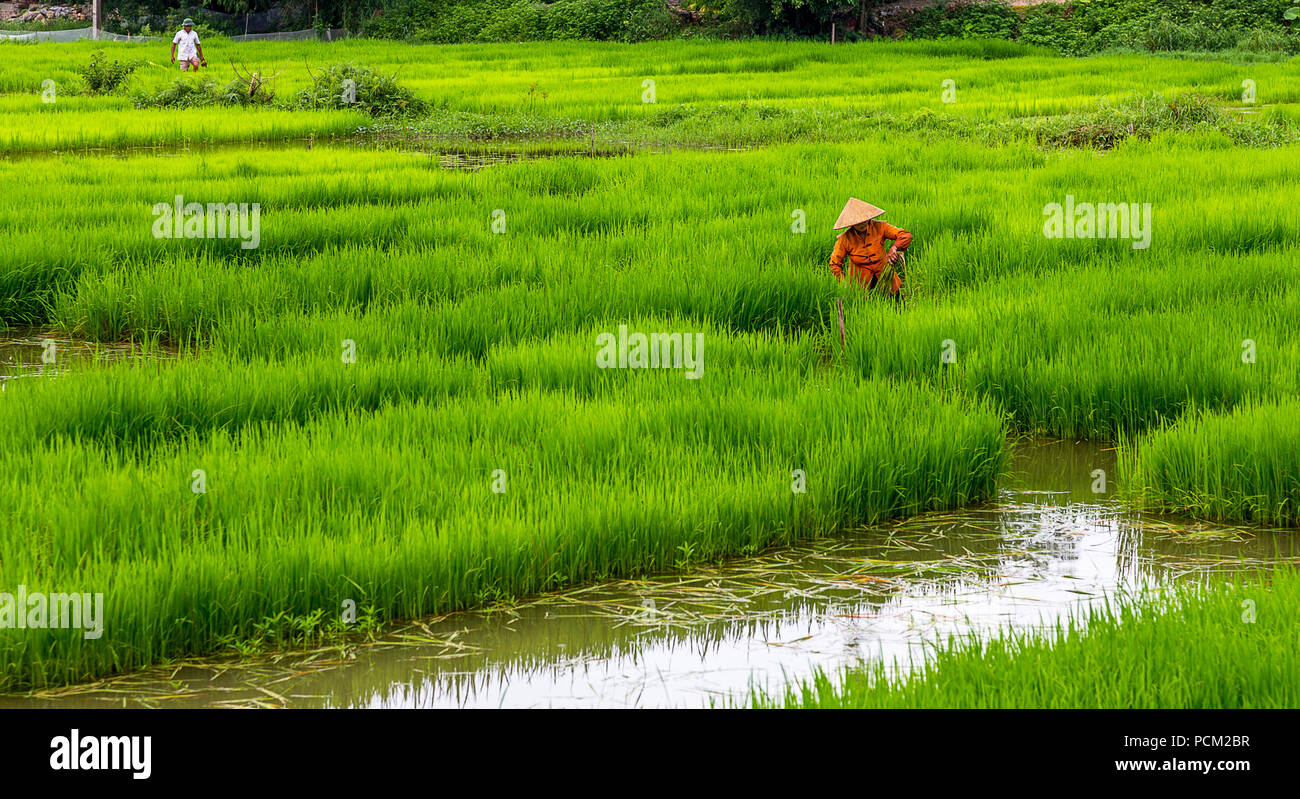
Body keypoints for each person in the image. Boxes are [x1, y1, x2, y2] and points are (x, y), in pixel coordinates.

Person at [828, 197, 912, 297]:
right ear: (851, 223)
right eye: (857, 221)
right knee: (869, 309)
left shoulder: (880, 227)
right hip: (861, 287)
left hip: (887, 279)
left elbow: (905, 235)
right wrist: (845, 283)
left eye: (864, 219)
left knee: (897, 308)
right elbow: (834, 264)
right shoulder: (845, 239)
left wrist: (894, 248)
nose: (861, 223)